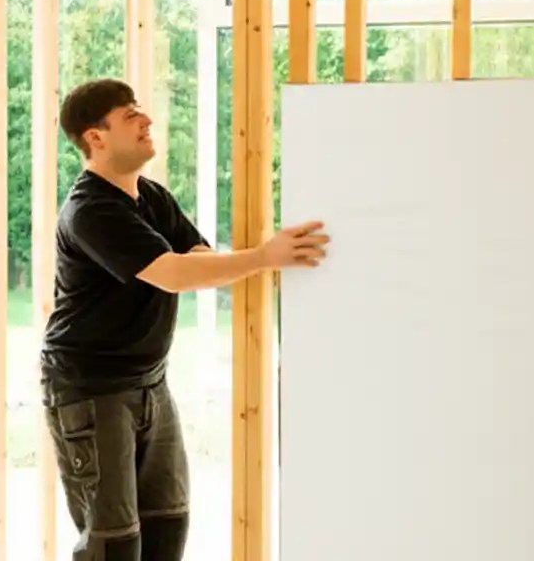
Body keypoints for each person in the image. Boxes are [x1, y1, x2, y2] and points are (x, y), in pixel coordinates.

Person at [40, 78, 329, 561]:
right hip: (91, 390)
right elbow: (172, 273)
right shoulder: (90, 210)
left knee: (166, 526)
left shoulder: (151, 197)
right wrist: (264, 256)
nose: (147, 120)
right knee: (114, 544)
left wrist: (251, 259)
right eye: (131, 116)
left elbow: (196, 255)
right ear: (96, 137)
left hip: (150, 384)